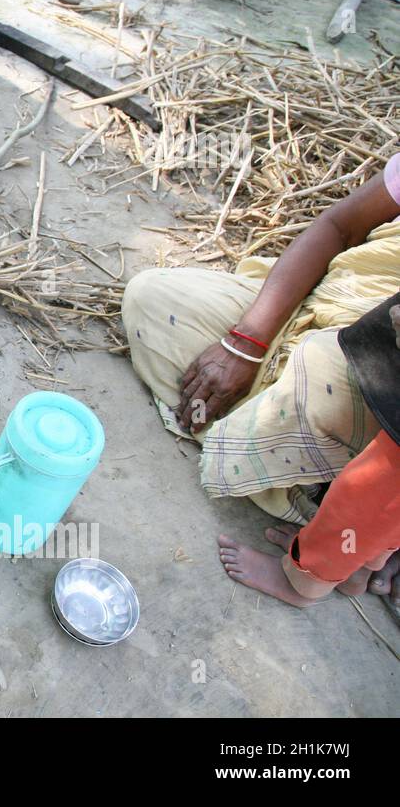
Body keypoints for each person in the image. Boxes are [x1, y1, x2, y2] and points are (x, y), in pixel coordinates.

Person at [122, 154, 400, 610]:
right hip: (309, 313)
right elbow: (338, 229)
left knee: (323, 378)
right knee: (152, 299)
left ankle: (333, 533)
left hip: (368, 384)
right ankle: (284, 471)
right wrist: (246, 342)